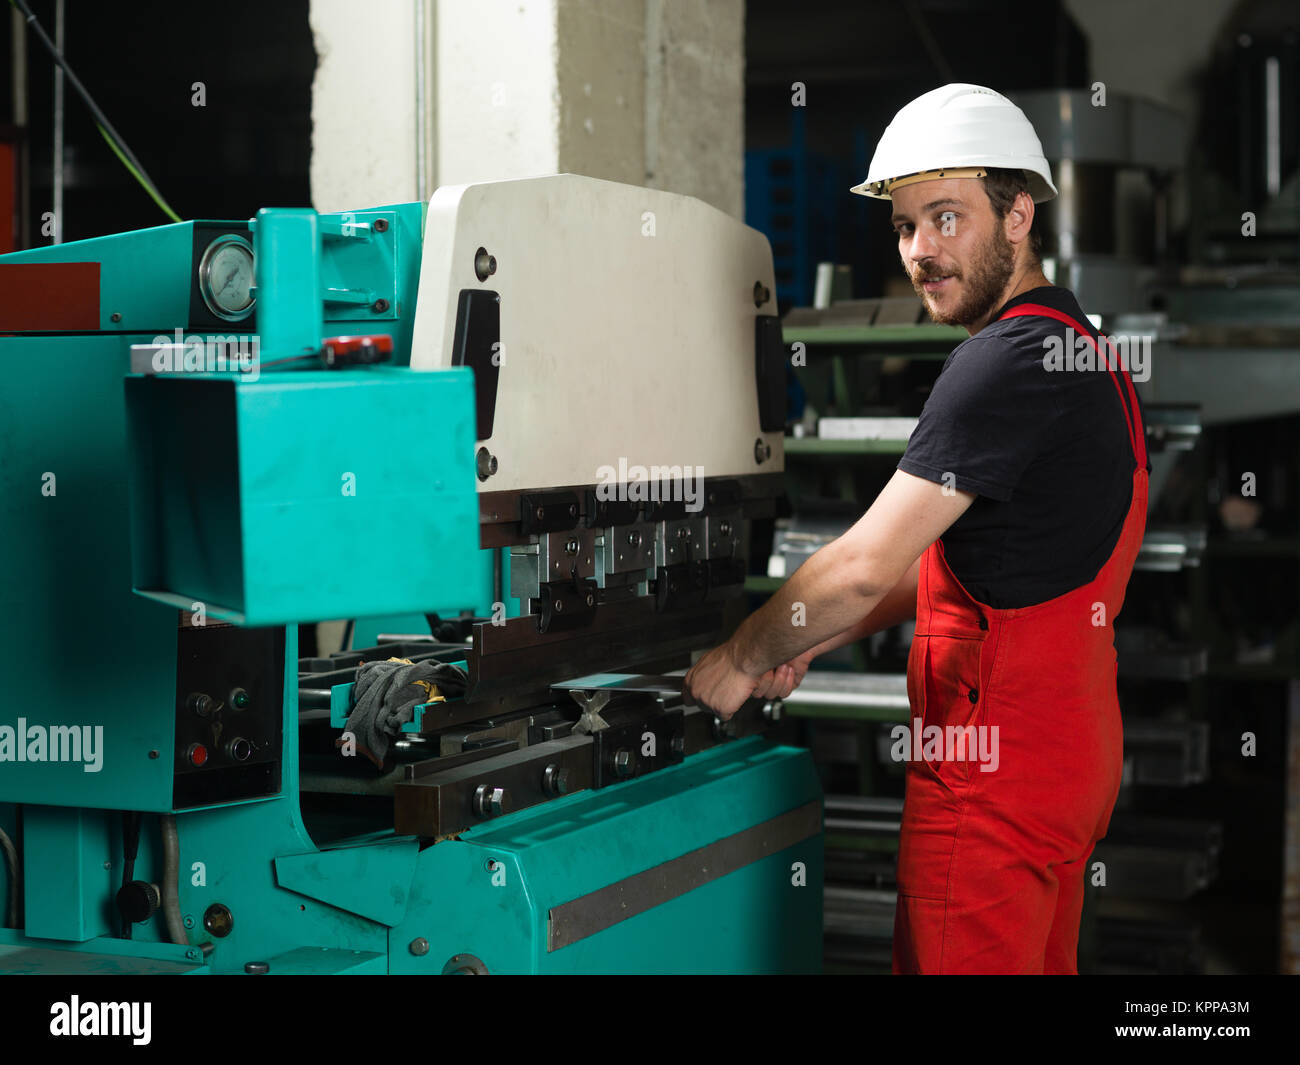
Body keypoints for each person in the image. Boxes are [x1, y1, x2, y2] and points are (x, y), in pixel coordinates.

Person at [683, 84, 1149, 974]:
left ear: (1018, 215)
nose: (920, 252)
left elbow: (862, 563)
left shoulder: (999, 363)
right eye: (904, 227)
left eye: (946, 217)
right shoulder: (1083, 346)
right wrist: (817, 633)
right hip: (1067, 759)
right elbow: (981, 563)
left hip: (992, 782)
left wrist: (742, 655)